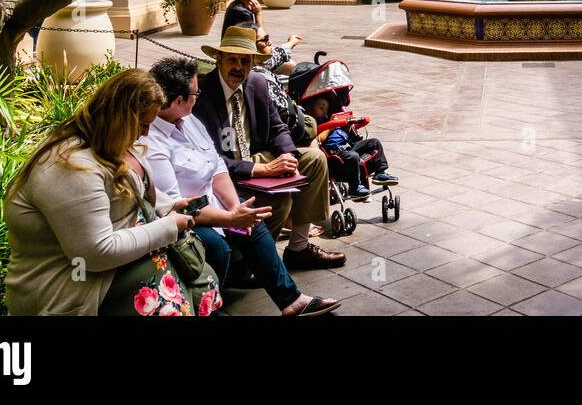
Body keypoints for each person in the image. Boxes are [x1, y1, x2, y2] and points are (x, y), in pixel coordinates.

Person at [145, 58, 340, 316]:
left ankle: (292, 300)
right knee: (219, 246)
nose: (198, 96)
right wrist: (230, 217)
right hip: (187, 218)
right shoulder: (153, 141)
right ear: (179, 100)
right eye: (194, 93)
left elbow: (215, 165)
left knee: (252, 225)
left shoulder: (189, 119)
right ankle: (208, 305)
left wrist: (235, 207)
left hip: (217, 199)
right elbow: (176, 207)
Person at [3, 69, 206, 315]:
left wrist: (167, 206)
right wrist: (169, 227)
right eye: (143, 124)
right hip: (71, 287)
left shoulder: (102, 142)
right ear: (120, 117)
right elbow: (96, 253)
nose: (145, 134)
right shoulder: (70, 167)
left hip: (111, 271)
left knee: (205, 285)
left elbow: (130, 188)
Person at [192, 25, 346, 272]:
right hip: (225, 172)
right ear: (218, 59)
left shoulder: (256, 82)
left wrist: (289, 154)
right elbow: (210, 159)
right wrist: (260, 169)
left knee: (315, 159)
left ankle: (298, 248)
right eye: (232, 59)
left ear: (253, 62)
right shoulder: (202, 94)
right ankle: (250, 263)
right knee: (280, 201)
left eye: (245, 61)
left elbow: (277, 127)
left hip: (260, 157)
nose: (238, 67)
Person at [288, 63, 399, 201]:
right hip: (334, 154)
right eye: (321, 108)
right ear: (309, 108)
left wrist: (348, 126)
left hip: (347, 146)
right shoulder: (311, 123)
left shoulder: (331, 117)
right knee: (352, 156)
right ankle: (355, 187)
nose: (324, 112)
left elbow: (346, 135)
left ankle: (380, 172)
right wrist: (332, 126)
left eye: (326, 109)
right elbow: (317, 140)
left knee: (374, 143)